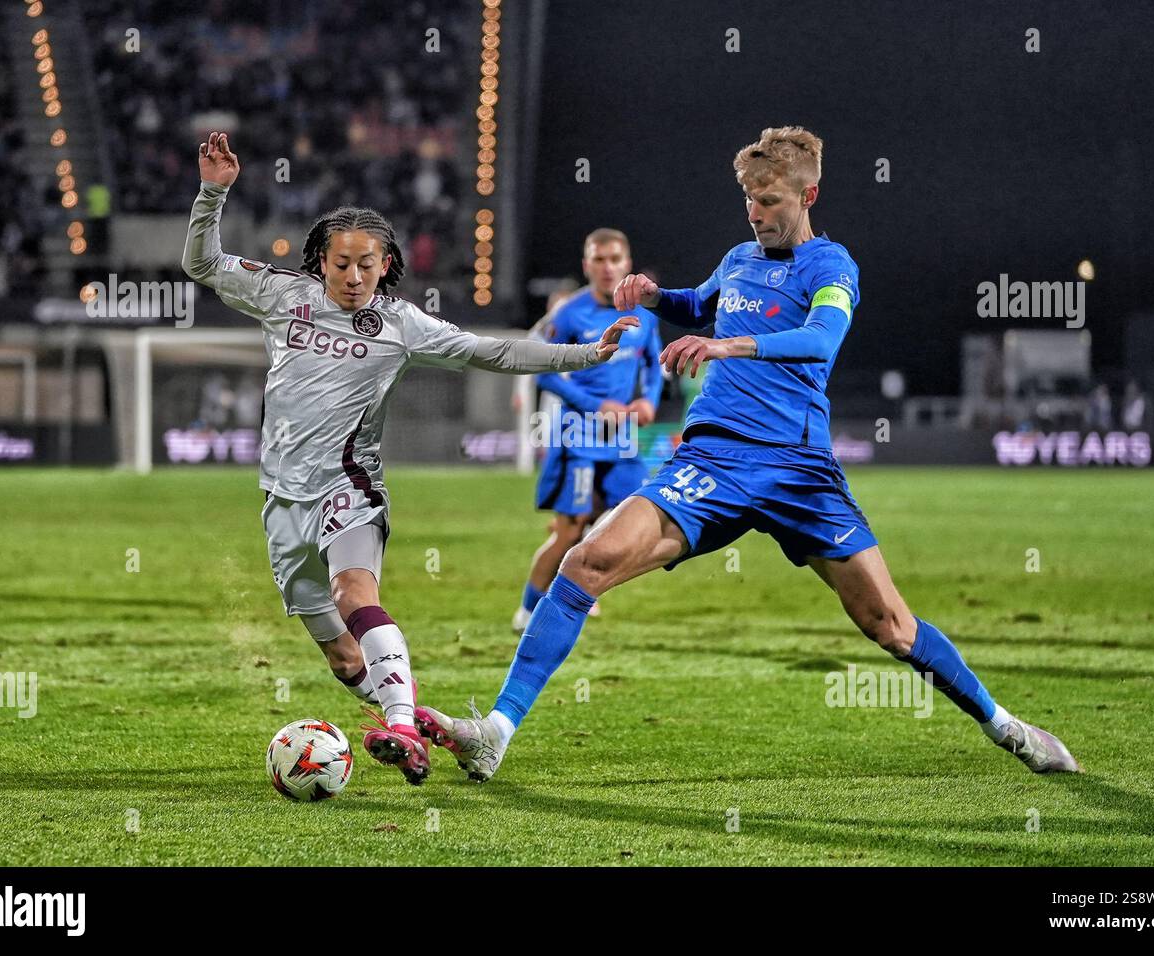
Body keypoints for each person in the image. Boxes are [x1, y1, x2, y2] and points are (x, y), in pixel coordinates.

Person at [415, 126, 1082, 781]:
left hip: (799, 471)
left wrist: (725, 347)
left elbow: (821, 339)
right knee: (585, 559)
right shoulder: (738, 260)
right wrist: (655, 297)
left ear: (808, 194)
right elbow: (699, 303)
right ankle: (494, 734)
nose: (757, 214)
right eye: (749, 200)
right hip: (712, 460)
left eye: (770, 201)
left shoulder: (831, 267)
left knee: (889, 625)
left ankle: (1008, 728)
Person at [183, 131, 636, 785]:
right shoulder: (284, 296)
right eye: (341, 263)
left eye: (367, 263)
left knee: (354, 591)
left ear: (387, 264)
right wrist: (212, 193)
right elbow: (203, 264)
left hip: (350, 482)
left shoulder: (400, 323)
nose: (354, 275)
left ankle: (398, 729)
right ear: (321, 261)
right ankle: (420, 721)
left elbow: (495, 351)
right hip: (282, 497)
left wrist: (588, 354)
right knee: (342, 659)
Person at [513, 229, 663, 632]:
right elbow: (544, 375)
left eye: (615, 259)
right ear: (586, 265)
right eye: (598, 259)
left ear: (627, 264)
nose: (607, 267)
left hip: (621, 439)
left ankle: (580, 591)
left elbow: (652, 364)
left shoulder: (645, 315)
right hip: (577, 437)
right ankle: (528, 611)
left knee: (641, 515)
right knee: (569, 531)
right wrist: (599, 405)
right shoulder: (568, 314)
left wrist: (648, 399)